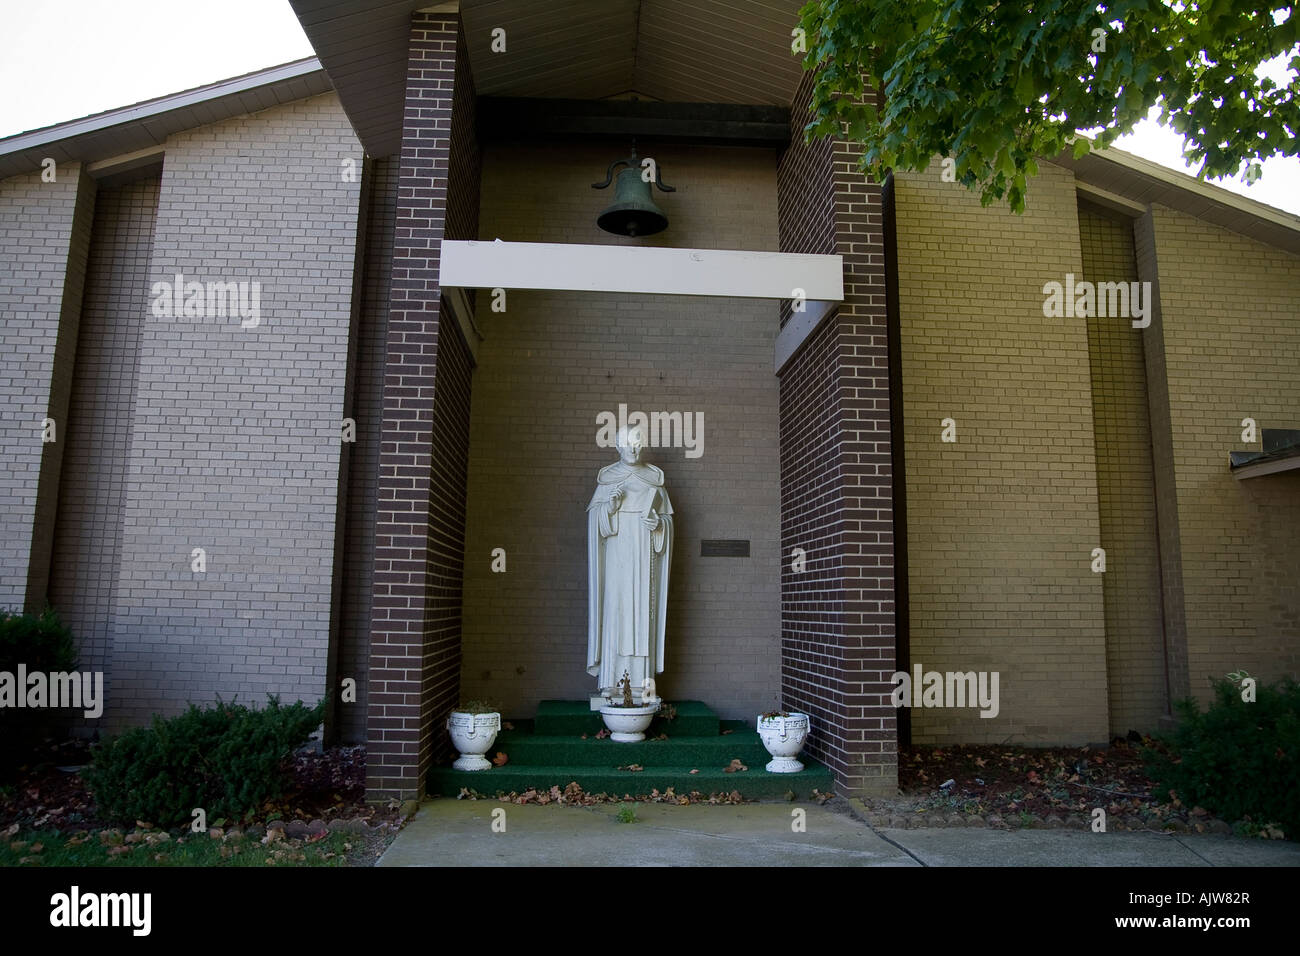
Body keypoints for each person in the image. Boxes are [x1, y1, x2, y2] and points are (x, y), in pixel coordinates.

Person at [586, 425, 673, 701]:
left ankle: (643, 687)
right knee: (617, 613)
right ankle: (611, 684)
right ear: (617, 446)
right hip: (617, 562)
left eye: (637, 443)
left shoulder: (654, 479)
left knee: (643, 615)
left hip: (645, 561)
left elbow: (667, 522)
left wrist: (659, 525)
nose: (633, 449)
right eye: (627, 444)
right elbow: (594, 524)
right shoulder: (608, 479)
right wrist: (609, 509)